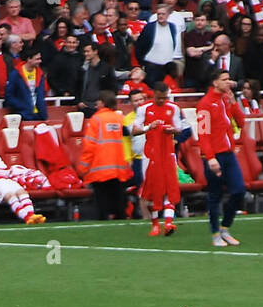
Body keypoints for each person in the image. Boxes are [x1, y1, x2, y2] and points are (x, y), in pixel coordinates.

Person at [132, 81, 191, 236]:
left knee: (169, 187)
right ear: (154, 94)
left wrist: (173, 130)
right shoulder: (144, 109)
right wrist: (148, 127)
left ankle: (169, 223)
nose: (162, 101)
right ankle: (155, 224)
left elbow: (181, 129)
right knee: (152, 190)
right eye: (159, 98)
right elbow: (134, 130)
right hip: (150, 155)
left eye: (164, 98)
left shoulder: (174, 108)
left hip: (168, 153)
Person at [197, 68, 245, 247]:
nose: (228, 82)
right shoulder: (205, 104)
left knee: (239, 190)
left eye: (229, 79)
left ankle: (225, 228)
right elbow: (203, 134)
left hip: (229, 154)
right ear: (215, 82)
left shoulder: (226, 100)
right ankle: (215, 233)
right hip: (214, 156)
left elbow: (241, 122)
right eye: (224, 79)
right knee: (215, 195)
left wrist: (233, 103)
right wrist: (210, 158)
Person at [79, 89, 132, 219]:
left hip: (100, 169)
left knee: (102, 205)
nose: (96, 104)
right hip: (118, 169)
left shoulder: (96, 119)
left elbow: (89, 145)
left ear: (102, 102)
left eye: (98, 101)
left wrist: (83, 167)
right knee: (119, 204)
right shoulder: (120, 119)